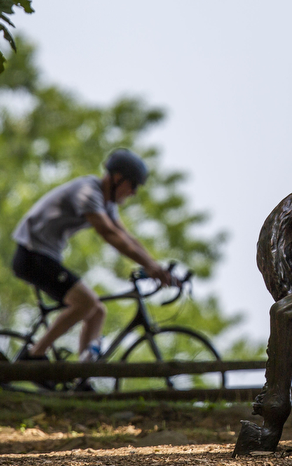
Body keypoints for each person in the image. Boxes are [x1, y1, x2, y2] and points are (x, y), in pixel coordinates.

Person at [11, 149, 174, 369]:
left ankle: (82, 377)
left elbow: (126, 236)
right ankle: (33, 356)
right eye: (133, 185)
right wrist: (150, 267)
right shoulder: (88, 191)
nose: (134, 192)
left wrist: (156, 267)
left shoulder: (108, 204)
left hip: (45, 255)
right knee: (86, 303)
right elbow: (109, 234)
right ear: (118, 178)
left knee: (97, 311)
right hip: (32, 255)